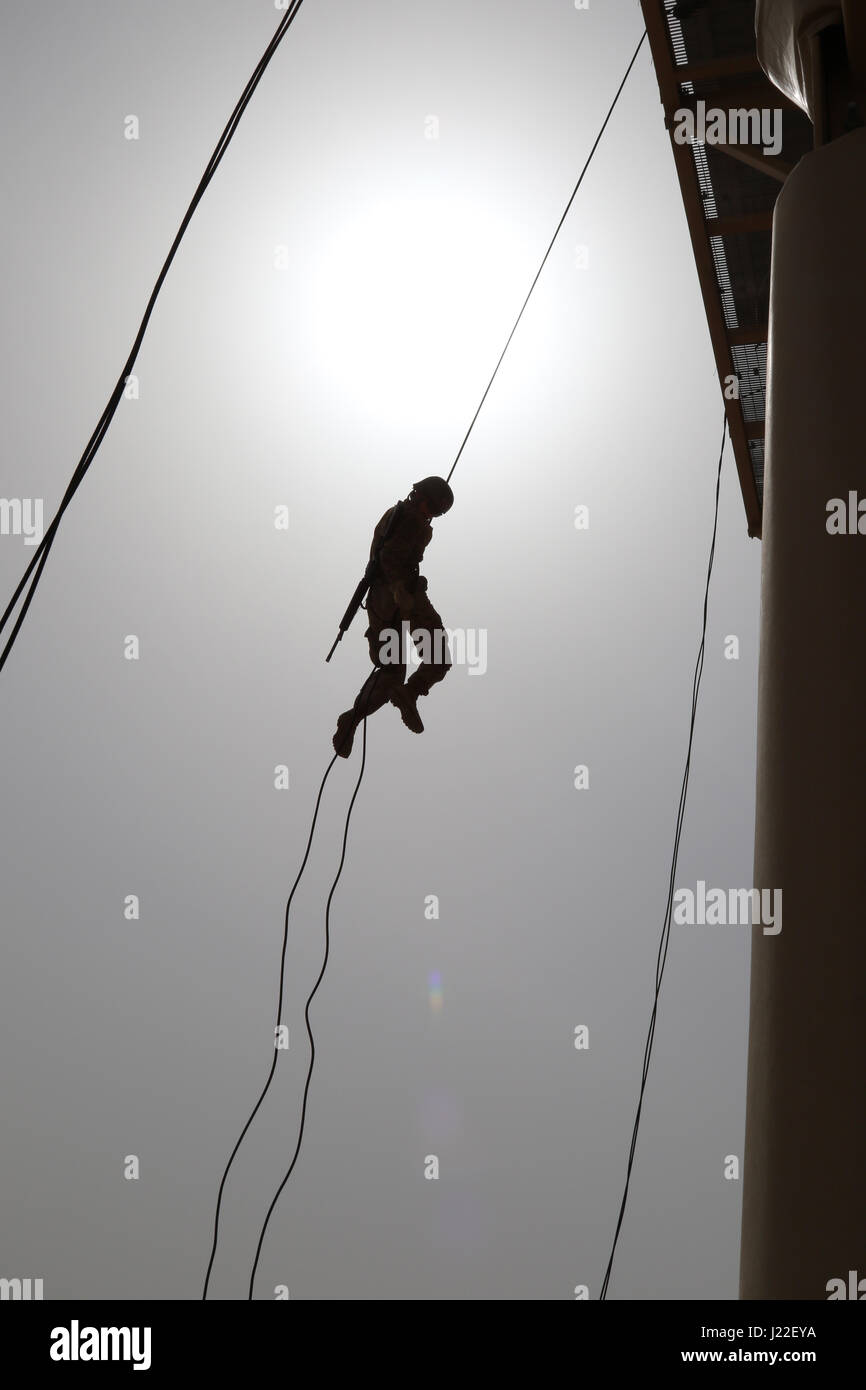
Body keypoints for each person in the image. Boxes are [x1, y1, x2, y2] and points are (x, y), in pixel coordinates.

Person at [333, 476, 454, 757]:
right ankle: (406, 694)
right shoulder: (408, 518)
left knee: (395, 671)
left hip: (387, 600)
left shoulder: (407, 518)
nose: (431, 516)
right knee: (435, 656)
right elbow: (388, 558)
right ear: (421, 498)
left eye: (436, 514)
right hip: (393, 596)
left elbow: (395, 558)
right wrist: (401, 590)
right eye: (431, 509)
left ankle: (358, 716)